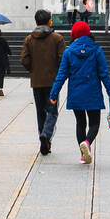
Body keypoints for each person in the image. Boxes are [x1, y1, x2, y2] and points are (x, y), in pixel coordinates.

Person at [50, 20, 110, 165]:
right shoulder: (97, 50)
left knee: (80, 123)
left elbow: (61, 75)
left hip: (76, 93)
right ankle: (87, 142)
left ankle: (82, 154)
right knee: (94, 124)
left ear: (74, 35)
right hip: (93, 92)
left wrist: (54, 94)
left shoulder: (68, 51)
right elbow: (104, 73)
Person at [21, 8, 67, 155]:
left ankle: (44, 140)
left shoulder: (29, 39)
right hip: (53, 82)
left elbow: (24, 60)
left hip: (36, 81)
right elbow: (62, 60)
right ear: (49, 21)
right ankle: (46, 135)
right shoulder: (57, 39)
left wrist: (33, 70)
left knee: (40, 112)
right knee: (52, 112)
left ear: (36, 22)